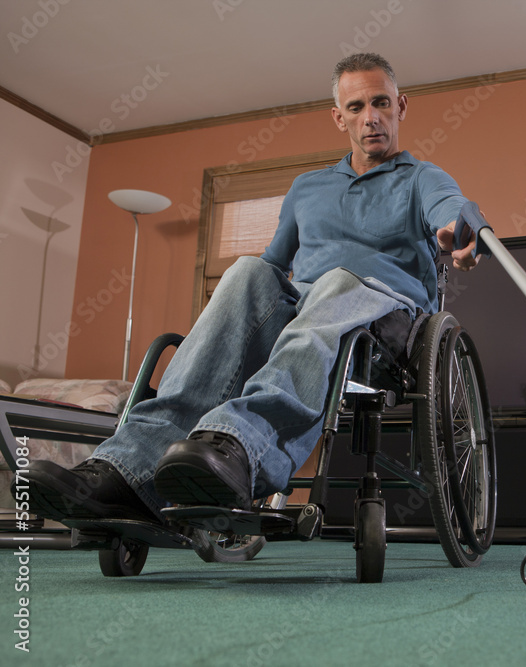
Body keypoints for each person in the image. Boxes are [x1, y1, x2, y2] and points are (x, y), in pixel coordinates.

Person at [21, 53, 482, 526]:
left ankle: (242, 447)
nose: (371, 117)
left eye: (381, 103)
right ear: (338, 116)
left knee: (336, 282)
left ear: (400, 106)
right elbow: (271, 266)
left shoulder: (422, 178)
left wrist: (460, 232)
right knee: (245, 271)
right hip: (306, 310)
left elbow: (452, 209)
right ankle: (127, 469)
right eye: (356, 106)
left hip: (382, 321)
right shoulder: (308, 188)